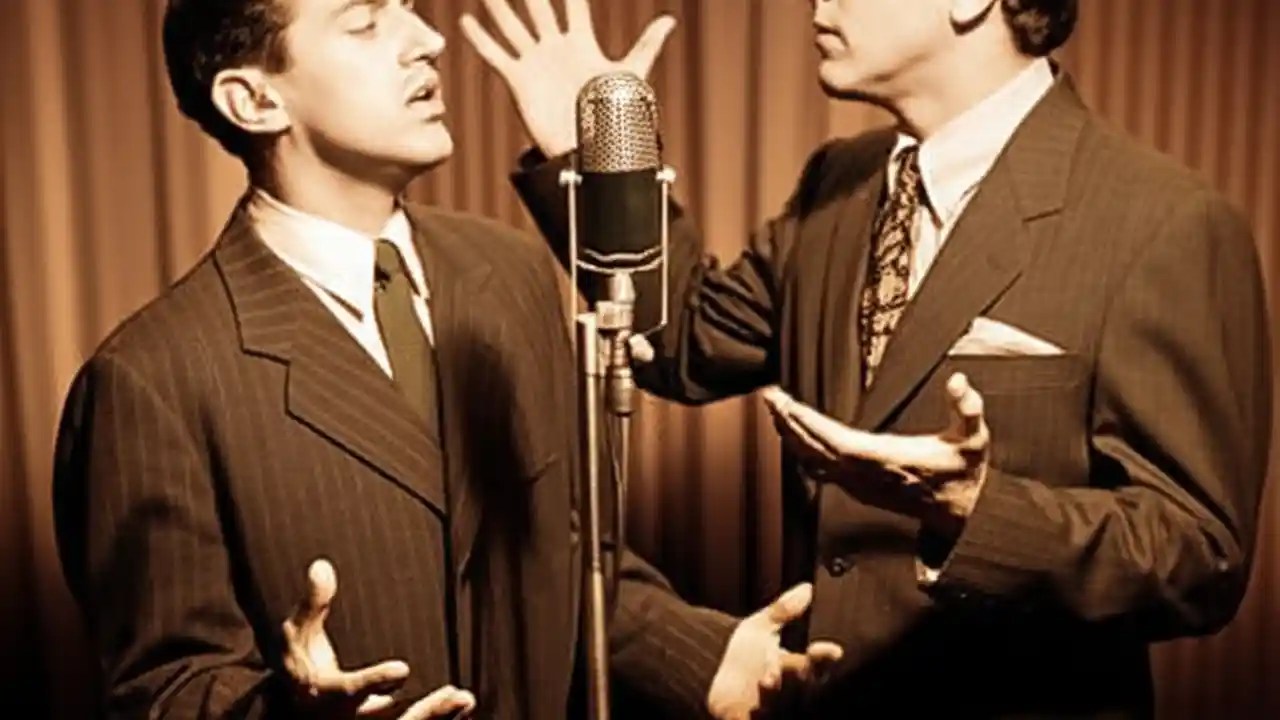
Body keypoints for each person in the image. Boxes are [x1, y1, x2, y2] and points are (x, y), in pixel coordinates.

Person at [463, 0, 1273, 716]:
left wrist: (977, 510)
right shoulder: (839, 181)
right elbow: (682, 343)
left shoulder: (1164, 220)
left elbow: (1198, 557)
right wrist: (596, 149)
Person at [51, 1, 842, 718]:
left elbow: (566, 558)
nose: (427, 42)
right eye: (364, 23)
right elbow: (169, 688)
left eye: (408, 10)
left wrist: (707, 659)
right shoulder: (150, 378)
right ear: (253, 100)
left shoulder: (512, 274)